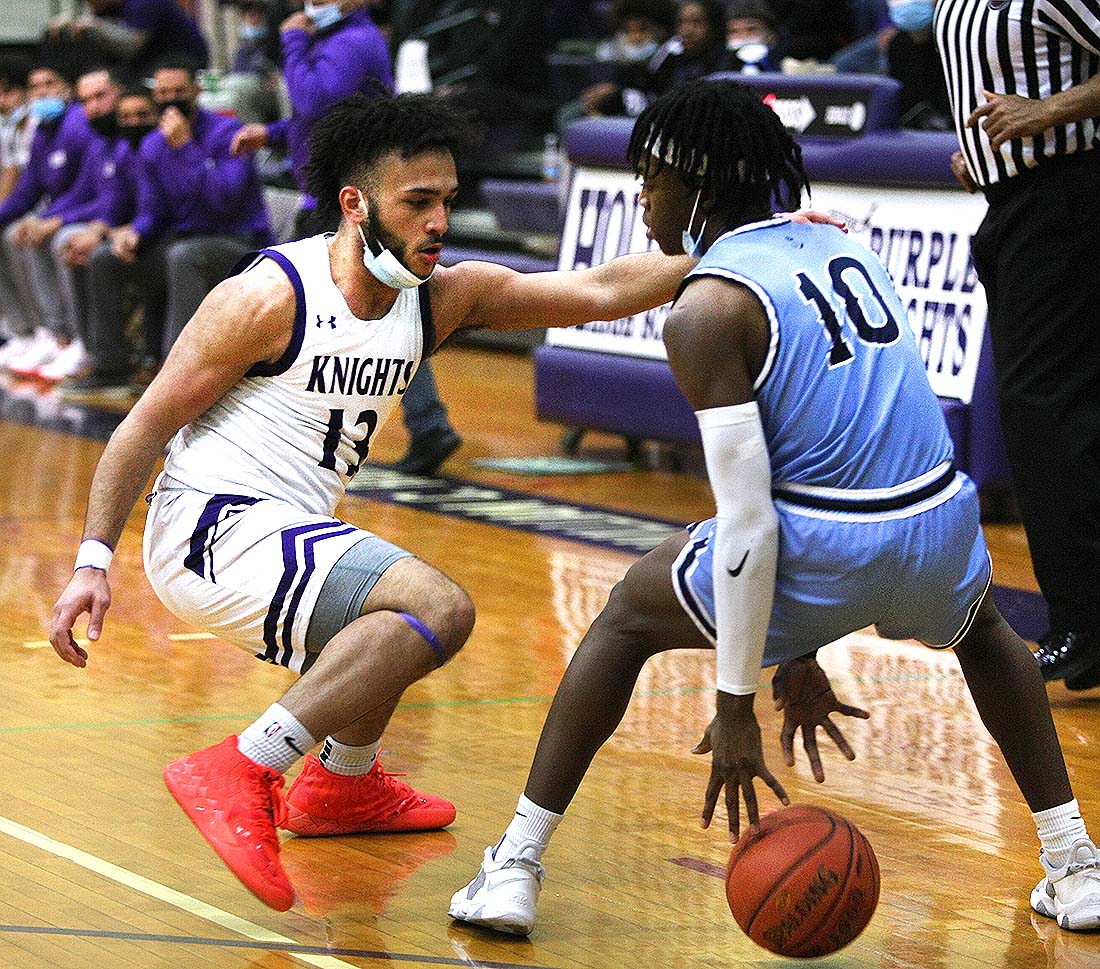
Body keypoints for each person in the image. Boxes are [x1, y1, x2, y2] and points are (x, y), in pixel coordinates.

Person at [449, 79, 1100, 937]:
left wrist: (734, 705)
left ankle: (516, 866)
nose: (642, 196)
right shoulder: (846, 248)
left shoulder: (707, 310)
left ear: (698, 185)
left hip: (826, 543)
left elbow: (752, 525)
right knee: (984, 635)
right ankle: (1078, 865)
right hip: (941, 523)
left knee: (625, 618)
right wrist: (794, 648)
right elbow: (835, 462)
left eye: (650, 178)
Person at [46, 91, 699, 912]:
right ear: (355, 204)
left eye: (447, 203)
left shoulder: (439, 296)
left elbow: (600, 289)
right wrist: (91, 561)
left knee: (388, 614)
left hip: (292, 527)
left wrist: (740, 252)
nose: (438, 223)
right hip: (210, 528)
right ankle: (245, 763)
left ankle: (341, 787)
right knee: (435, 605)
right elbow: (144, 423)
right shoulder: (270, 296)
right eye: (416, 203)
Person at [933, 1, 1100, 691]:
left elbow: (1041, 100)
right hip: (1013, 201)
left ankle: (1086, 625)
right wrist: (980, 154)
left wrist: (1047, 113)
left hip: (1070, 195)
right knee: (1050, 408)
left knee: (1045, 408)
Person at [232, 1, 461, 475]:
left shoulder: (352, 41)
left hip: (348, 204)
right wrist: (273, 134)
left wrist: (291, 40)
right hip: (336, 196)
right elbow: (328, 120)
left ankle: (420, 421)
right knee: (380, 312)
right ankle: (424, 422)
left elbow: (315, 100)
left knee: (375, 313)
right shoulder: (339, 41)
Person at [65, 61, 271, 397]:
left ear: (196, 91)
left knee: (182, 256)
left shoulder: (228, 132)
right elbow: (151, 211)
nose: (170, 99)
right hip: (183, 241)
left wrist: (186, 149)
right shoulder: (153, 144)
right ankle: (110, 366)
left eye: (178, 91)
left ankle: (175, 376)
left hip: (238, 241)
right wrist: (135, 235)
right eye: (162, 93)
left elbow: (225, 201)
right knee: (105, 258)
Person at [0, 65, 90, 377]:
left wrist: (51, 220)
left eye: (50, 83)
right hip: (60, 214)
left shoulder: (79, 124)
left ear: (67, 89)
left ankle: (75, 337)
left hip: (86, 215)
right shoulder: (41, 131)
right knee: (12, 234)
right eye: (35, 86)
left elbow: (86, 188)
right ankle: (39, 331)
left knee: (55, 240)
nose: (42, 92)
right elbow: (27, 190)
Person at [46, 0, 209, 81]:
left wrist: (94, 26)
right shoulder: (106, 8)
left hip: (180, 65)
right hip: (146, 66)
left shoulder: (145, 3)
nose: (92, 5)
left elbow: (132, 45)